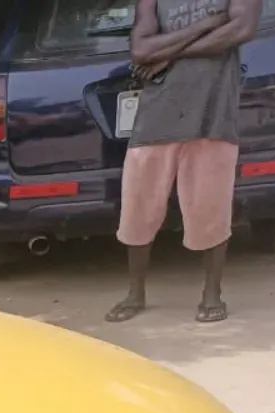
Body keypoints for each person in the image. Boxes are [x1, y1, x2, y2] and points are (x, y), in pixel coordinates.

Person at [107, 0, 259, 324]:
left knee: (210, 206)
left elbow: (242, 28)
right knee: (138, 204)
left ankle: (212, 293)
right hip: (158, 113)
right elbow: (140, 50)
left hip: (212, 113)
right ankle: (135, 293)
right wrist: (205, 25)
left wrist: (169, 53)